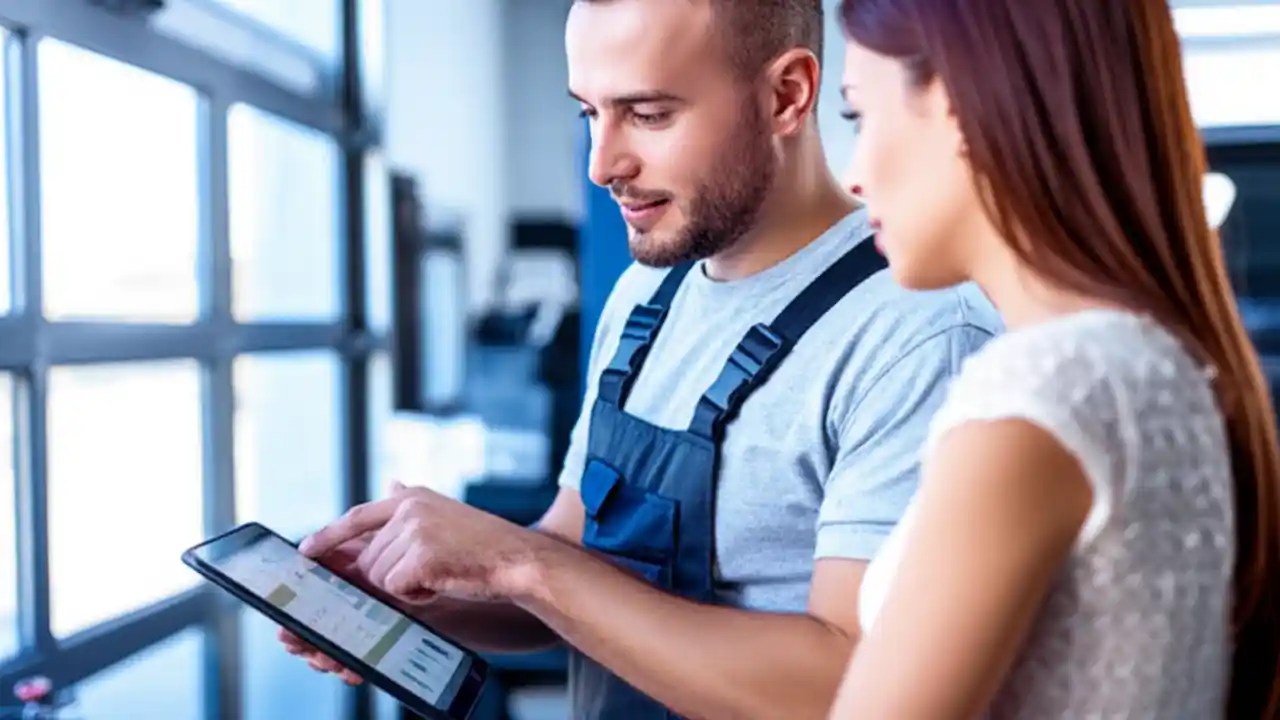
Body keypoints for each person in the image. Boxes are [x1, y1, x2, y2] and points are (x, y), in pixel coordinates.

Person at [287, 0, 998, 717]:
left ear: (787, 95)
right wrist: (418, 594)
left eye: (649, 114)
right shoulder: (645, 296)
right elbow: (572, 569)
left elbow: (853, 682)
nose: (603, 165)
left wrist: (519, 563)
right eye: (589, 113)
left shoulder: (918, 334)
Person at [827, 1, 1280, 718]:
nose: (853, 176)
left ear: (953, 106)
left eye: (858, 115)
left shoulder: (1044, 388)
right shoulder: (1158, 365)